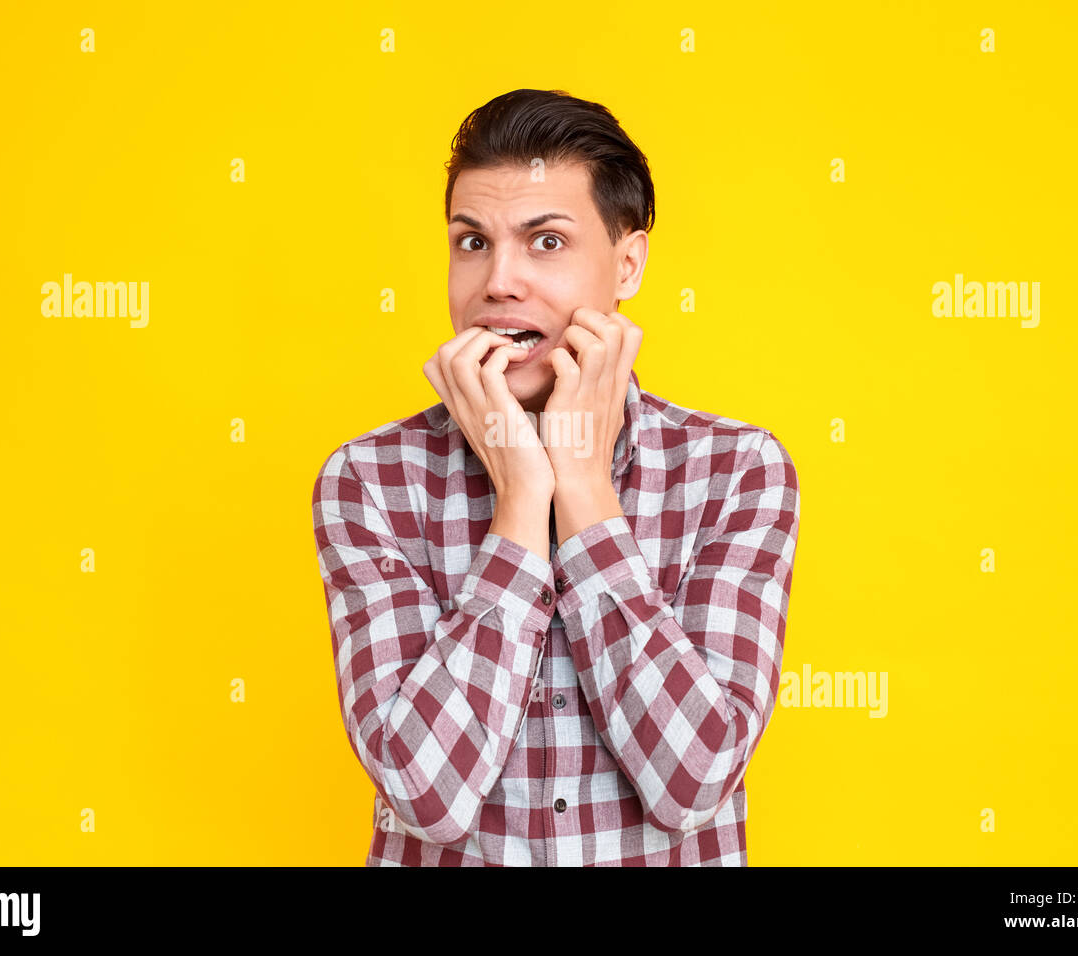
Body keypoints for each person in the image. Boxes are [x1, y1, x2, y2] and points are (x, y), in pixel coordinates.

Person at [311, 89, 800, 865]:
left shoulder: (737, 471)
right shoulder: (369, 480)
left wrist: (581, 483)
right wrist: (521, 500)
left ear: (628, 263)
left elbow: (694, 779)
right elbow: (424, 793)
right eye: (471, 242)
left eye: (545, 242)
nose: (499, 281)